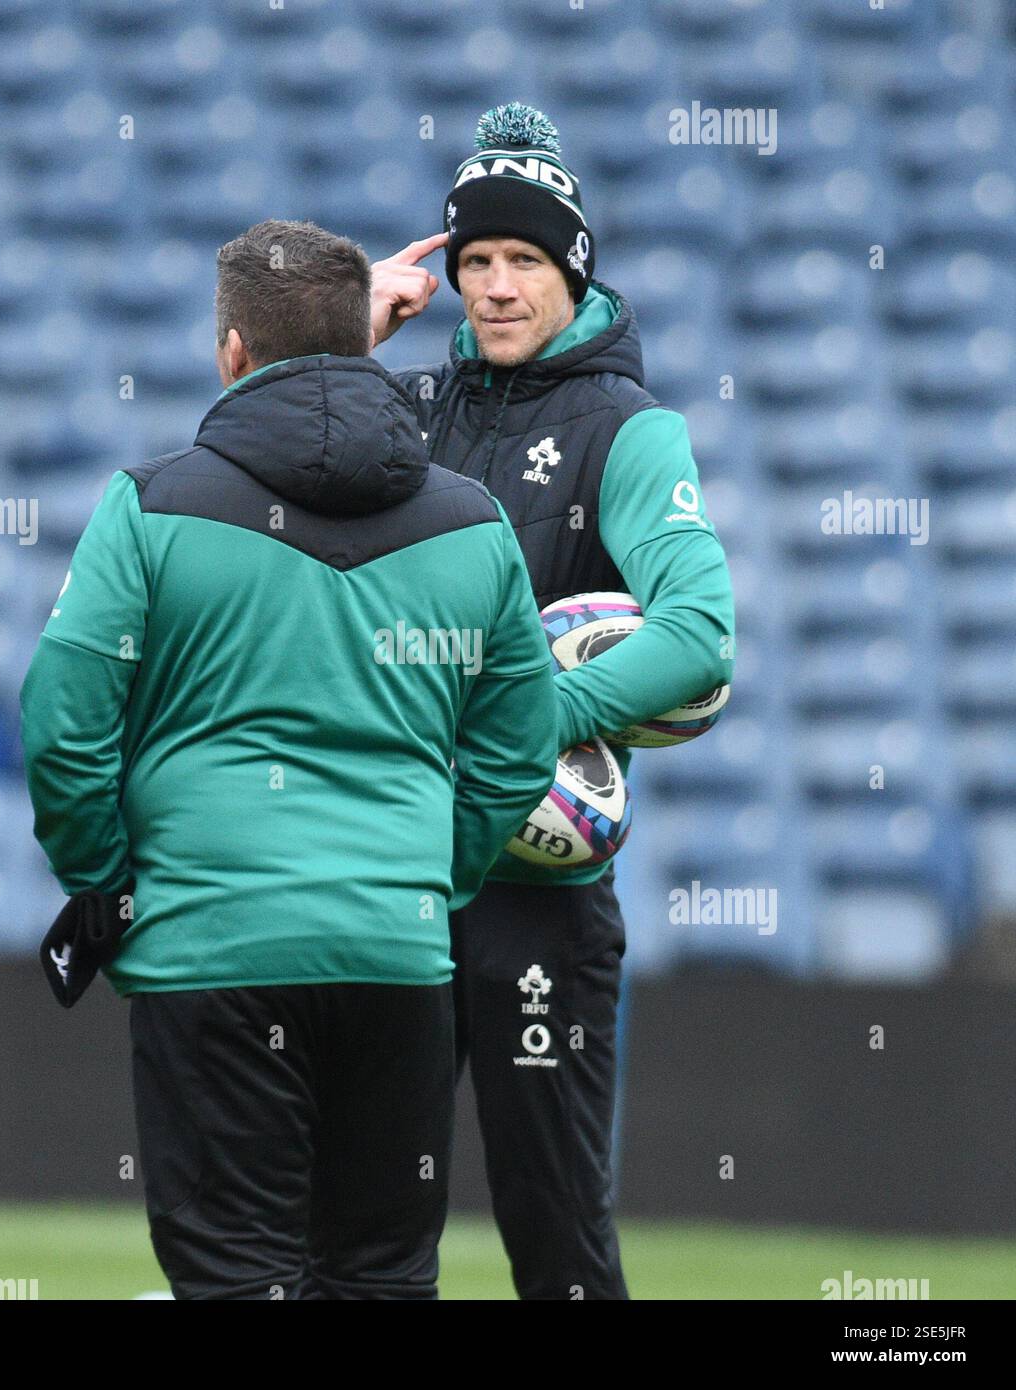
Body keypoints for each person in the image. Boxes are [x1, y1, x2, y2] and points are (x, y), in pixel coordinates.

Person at [20, 218, 559, 1300]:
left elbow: (61, 723)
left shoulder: (152, 508)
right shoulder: (475, 523)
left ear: (230, 352)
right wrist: (428, 871)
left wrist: (107, 883)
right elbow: (519, 749)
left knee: (236, 1278)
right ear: (363, 345)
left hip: (210, 953)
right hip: (395, 954)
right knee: (381, 1276)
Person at [370, 103, 737, 1300]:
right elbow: (230, 502)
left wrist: (524, 720)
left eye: (524, 258)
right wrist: (342, 346)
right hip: (395, 884)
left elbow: (698, 638)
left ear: (573, 270)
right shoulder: (403, 415)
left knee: (557, 1237)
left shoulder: (632, 433)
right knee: (364, 1230)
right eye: (474, 260)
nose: (495, 285)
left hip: (539, 897)